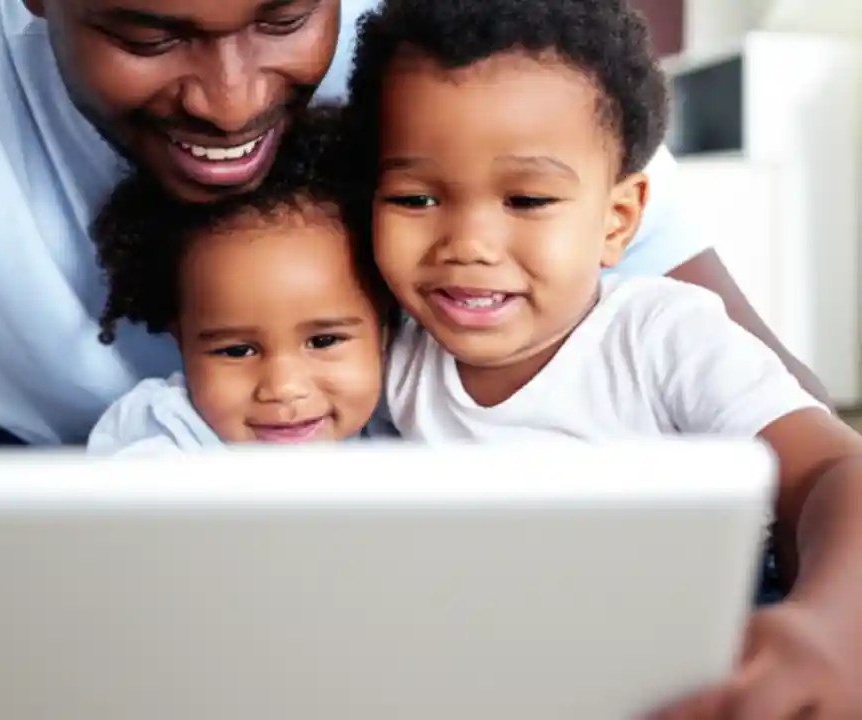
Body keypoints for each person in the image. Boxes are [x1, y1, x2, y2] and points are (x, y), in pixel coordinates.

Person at [0, 0, 831, 718]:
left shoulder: (462, 59)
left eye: (285, 17)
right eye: (151, 30)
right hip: (54, 559)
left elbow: (790, 437)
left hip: (385, 585)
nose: (231, 97)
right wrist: (160, 626)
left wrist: (834, 629)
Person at [347, 0, 862, 715]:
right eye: (414, 197)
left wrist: (834, 629)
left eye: (526, 199)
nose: (466, 243)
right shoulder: (391, 354)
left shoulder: (661, 335)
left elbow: (836, 468)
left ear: (617, 220)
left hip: (697, 665)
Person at [88, 109, 390, 453]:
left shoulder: (399, 419)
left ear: (382, 328)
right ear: (180, 338)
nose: (283, 388)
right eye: (237, 350)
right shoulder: (162, 435)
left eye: (323, 341)